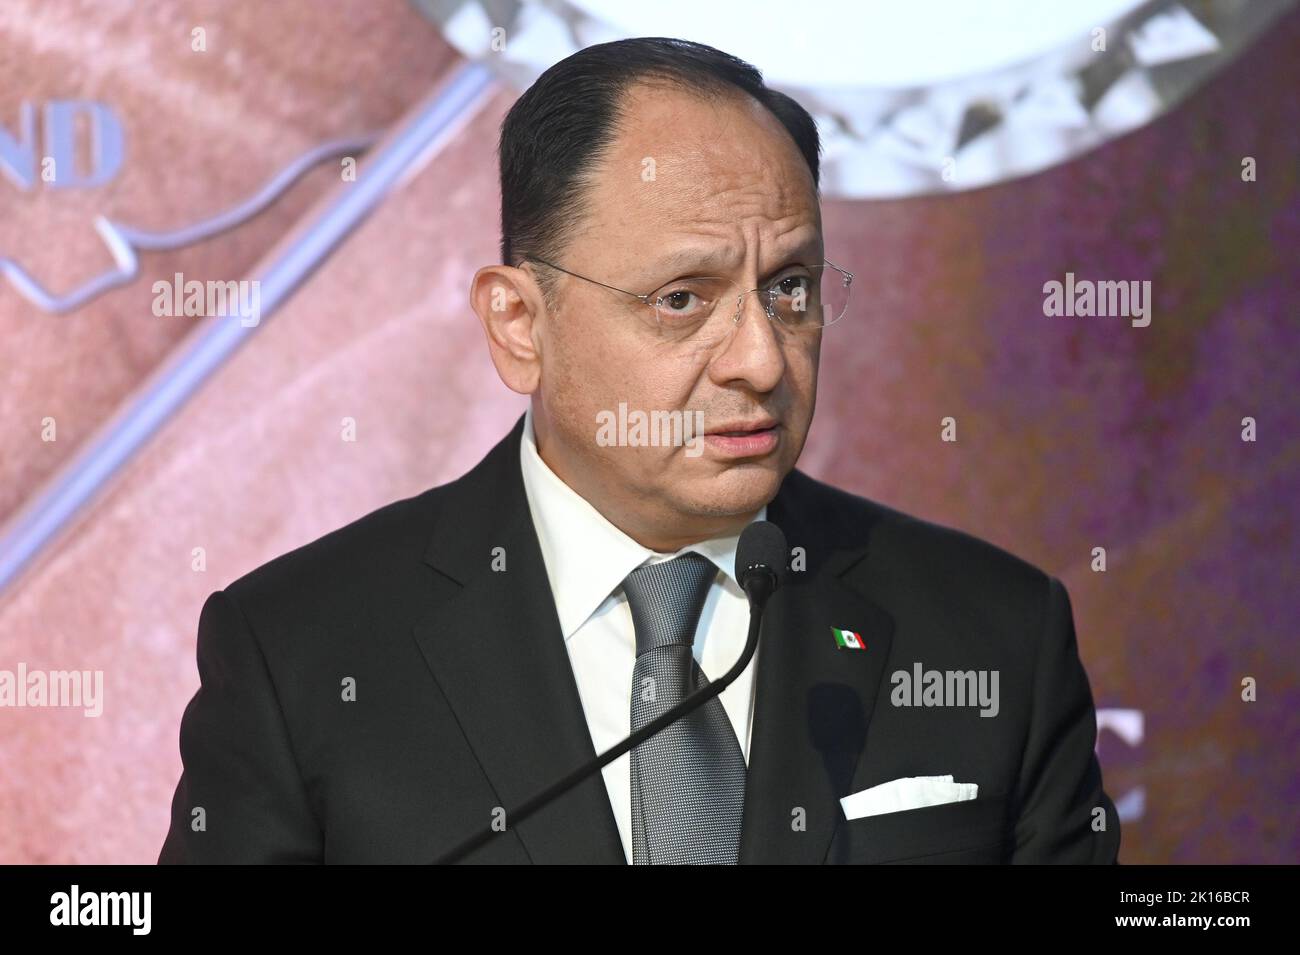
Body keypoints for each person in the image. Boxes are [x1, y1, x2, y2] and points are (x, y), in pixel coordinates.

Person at [159, 36, 1120, 864]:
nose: (758, 359)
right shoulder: (301, 653)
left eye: (790, 288)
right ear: (519, 324)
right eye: (681, 299)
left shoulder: (994, 633)